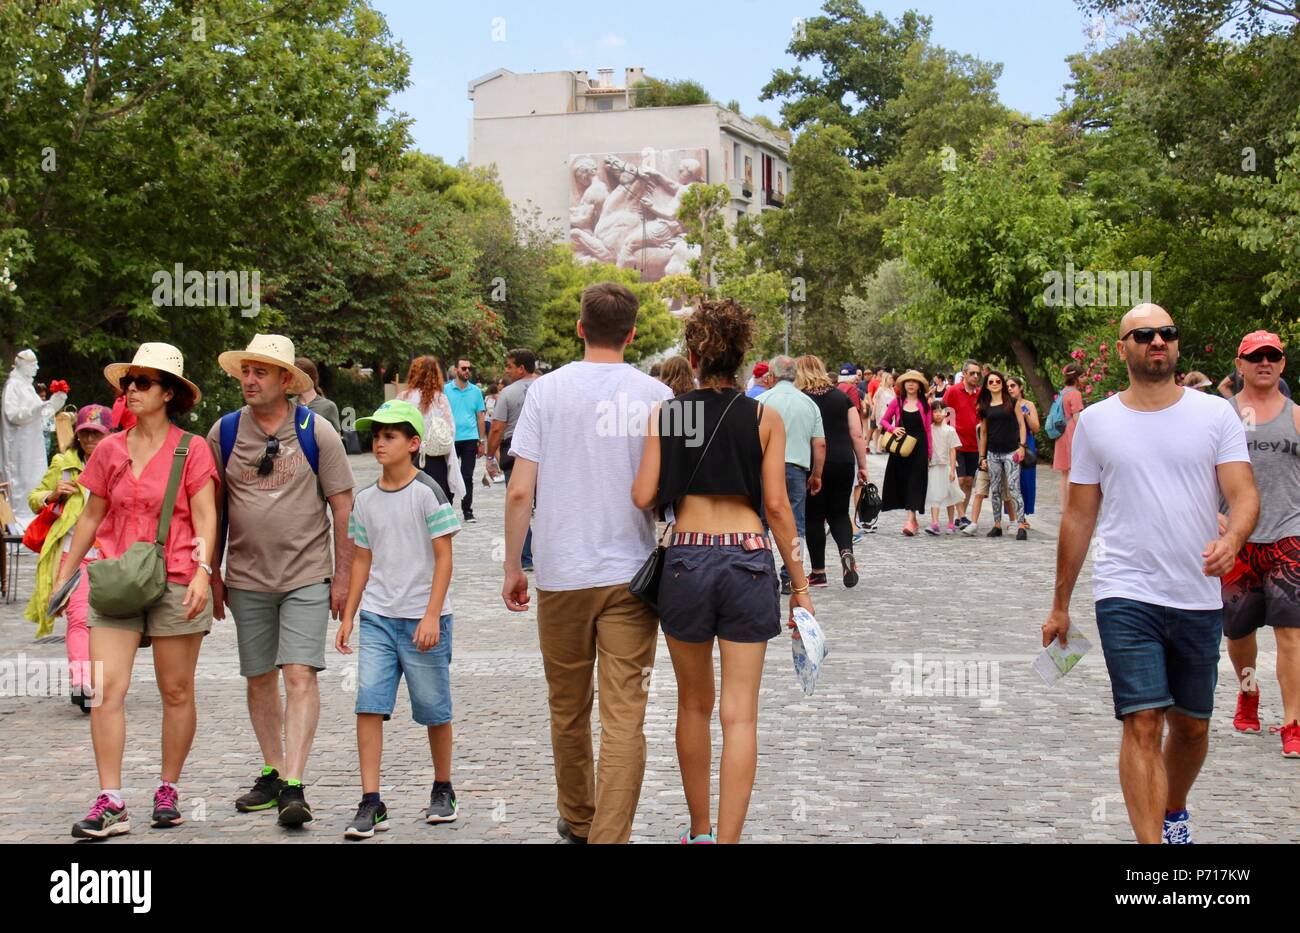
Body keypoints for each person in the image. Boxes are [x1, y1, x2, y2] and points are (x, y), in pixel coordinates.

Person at [1044, 304, 1258, 844]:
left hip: (1197, 592)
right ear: (1123, 349)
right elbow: (1078, 515)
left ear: (1176, 346)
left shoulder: (1215, 415)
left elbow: (1243, 494)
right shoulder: (1096, 421)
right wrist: (1060, 603)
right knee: (1142, 721)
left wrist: (1232, 539)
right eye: (1143, 334)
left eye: (1166, 333)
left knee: (1190, 726)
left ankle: (1173, 809)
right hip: (1125, 592)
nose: (1157, 341)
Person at [632, 297, 812, 843]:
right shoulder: (764, 416)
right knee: (741, 715)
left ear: (692, 355)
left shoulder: (671, 413)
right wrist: (799, 585)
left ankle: (700, 830)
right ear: (742, 357)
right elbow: (779, 509)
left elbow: (642, 494)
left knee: (693, 705)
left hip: (686, 558)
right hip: (749, 561)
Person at [501, 281, 672, 844]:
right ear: (632, 334)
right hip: (632, 574)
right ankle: (610, 835)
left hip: (562, 573)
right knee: (625, 716)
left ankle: (578, 817)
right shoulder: (656, 397)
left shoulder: (545, 393)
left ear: (579, 328)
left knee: (568, 708)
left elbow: (520, 491)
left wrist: (512, 566)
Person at [53, 343, 218, 838]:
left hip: (177, 578)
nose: (132, 390)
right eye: (129, 382)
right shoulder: (108, 449)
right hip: (118, 579)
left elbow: (208, 514)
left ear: (169, 393)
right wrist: (66, 576)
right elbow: (91, 516)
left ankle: (168, 788)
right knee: (107, 691)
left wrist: (206, 571)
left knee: (176, 689)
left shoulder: (192, 448)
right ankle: (111, 799)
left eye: (143, 382)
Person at [208, 334, 355, 828]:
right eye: (246, 372)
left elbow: (343, 506)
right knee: (258, 677)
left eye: (261, 372)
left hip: (307, 573)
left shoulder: (319, 432)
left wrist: (342, 579)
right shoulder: (225, 431)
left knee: (299, 674)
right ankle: (272, 770)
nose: (250, 380)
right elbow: (208, 509)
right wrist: (211, 571)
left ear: (286, 381)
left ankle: (294, 783)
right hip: (246, 576)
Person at [336, 400, 463, 838]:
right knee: (368, 703)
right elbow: (361, 560)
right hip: (377, 617)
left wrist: (431, 615)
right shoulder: (366, 499)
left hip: (423, 621)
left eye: (390, 436)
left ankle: (443, 787)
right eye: (375, 435)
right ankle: (371, 801)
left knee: (434, 709)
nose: (379, 443)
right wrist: (349, 615)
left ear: (413, 444)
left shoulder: (428, 492)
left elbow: (445, 557)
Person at [1220, 330, 1300, 758]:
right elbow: (1204, 470)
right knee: (1238, 629)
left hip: (1290, 537)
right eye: (1256, 357)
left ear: (1282, 364)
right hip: (1238, 540)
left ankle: (1293, 721)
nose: (1265, 362)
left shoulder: (1297, 416)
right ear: (1241, 363)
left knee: (1291, 632)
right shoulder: (1223, 415)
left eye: (1273, 356)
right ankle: (1248, 692)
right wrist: (1214, 518)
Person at [25, 403, 114, 711]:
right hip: (71, 553)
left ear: (109, 434)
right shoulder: (63, 463)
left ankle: (100, 679)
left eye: (96, 433)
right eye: (85, 433)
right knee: (77, 617)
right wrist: (52, 495)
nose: (90, 440)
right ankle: (82, 683)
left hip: (109, 554)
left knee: (102, 622)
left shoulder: (121, 462)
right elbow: (34, 498)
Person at [797, 354, 867, 587]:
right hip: (843, 461)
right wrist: (863, 466)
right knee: (839, 513)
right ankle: (846, 552)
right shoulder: (842, 397)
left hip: (814, 462)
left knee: (815, 517)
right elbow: (857, 434)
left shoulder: (801, 399)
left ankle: (818, 572)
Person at [758, 356, 826, 593]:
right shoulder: (808, 404)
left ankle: (760, 569)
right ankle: (790, 576)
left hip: (765, 468)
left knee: (762, 522)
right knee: (796, 524)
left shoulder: (761, 401)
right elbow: (819, 444)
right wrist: (816, 474)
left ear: (771, 376)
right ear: (796, 375)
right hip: (797, 468)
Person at [1, 349, 67, 525]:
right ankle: (20, 521)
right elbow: (13, 414)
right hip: (19, 447)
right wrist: (39, 408)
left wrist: (55, 402)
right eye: (33, 364)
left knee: (35, 479)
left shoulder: (27, 386)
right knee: (21, 483)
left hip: (33, 445)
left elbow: (42, 414)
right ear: (23, 365)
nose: (37, 367)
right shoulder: (13, 386)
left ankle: (33, 518)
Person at [488, 348, 539, 572]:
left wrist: (490, 455)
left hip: (515, 450)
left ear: (521, 368)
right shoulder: (548, 386)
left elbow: (497, 428)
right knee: (546, 505)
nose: (506, 370)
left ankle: (526, 557)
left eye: (509, 366)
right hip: (546, 450)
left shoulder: (508, 393)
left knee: (520, 505)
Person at [396, 356, 461, 504]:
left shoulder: (403, 398)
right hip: (435, 457)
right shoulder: (440, 399)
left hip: (408, 457)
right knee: (437, 500)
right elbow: (450, 430)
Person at [977, 370, 1029, 540]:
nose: (994, 384)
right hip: (993, 453)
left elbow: (1022, 425)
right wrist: (982, 457)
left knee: (1014, 488)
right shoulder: (984, 407)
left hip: (1011, 451)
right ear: (986, 385)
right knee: (996, 490)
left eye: (997, 381)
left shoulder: (1012, 402)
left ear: (1002, 383)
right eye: (990, 382)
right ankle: (997, 524)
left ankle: (1021, 525)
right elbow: (983, 433)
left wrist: (1022, 446)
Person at [880, 371, 932, 536]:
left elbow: (928, 430)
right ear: (903, 385)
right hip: (901, 448)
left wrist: (930, 453)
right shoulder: (897, 402)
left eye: (914, 382)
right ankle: (913, 520)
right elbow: (884, 420)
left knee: (915, 482)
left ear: (919, 386)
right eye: (908, 382)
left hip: (919, 448)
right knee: (903, 482)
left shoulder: (925, 405)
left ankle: (910, 520)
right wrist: (893, 429)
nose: (910, 384)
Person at [445, 359, 486, 523]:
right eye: (464, 368)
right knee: (448, 475)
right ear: (456, 370)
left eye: (469, 368)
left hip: (470, 438)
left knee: (467, 476)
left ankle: (467, 511)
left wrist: (481, 440)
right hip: (450, 439)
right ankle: (446, 510)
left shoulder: (476, 391)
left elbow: (480, 416)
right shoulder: (445, 390)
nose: (467, 371)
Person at [942, 360, 982, 528]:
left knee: (969, 481)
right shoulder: (952, 391)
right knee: (959, 480)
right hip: (956, 444)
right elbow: (943, 412)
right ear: (964, 374)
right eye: (972, 373)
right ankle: (961, 514)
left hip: (975, 443)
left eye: (978, 373)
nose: (975, 376)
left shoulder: (980, 394)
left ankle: (961, 517)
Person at [923, 398, 962, 535]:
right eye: (935, 411)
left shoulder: (950, 430)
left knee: (950, 494)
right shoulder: (929, 430)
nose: (938, 414)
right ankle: (934, 522)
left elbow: (953, 450)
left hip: (947, 466)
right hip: (934, 465)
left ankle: (951, 523)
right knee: (935, 494)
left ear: (946, 413)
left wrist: (952, 469)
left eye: (941, 411)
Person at [1006, 376, 1039, 526]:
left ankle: (1023, 515)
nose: (1010, 389)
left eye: (1013, 385)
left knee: (1026, 480)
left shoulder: (1028, 404)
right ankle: (1015, 517)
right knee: (1011, 481)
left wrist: (1025, 414)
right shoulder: (1005, 404)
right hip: (1010, 442)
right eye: (1008, 386)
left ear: (1021, 387)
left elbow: (1036, 428)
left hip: (1027, 443)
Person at [1052, 363, 1085, 510]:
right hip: (1071, 431)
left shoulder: (1063, 392)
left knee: (1064, 472)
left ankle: (1064, 506)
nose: (1085, 379)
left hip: (1061, 431)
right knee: (1072, 469)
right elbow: (1077, 417)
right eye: (1082, 376)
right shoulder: (1075, 394)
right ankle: (1072, 505)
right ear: (1076, 378)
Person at [294, 357, 342, 434]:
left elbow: (336, 441)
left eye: (295, 376)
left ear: (308, 377)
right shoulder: (289, 404)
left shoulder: (328, 406)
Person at [870, 372, 896, 455]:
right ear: (886, 379)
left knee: (885, 429)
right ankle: (877, 447)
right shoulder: (881, 389)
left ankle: (881, 446)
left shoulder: (892, 389)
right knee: (881, 429)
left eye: (892, 378)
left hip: (890, 411)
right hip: (882, 411)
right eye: (890, 378)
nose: (892, 380)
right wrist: (873, 413)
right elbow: (876, 401)